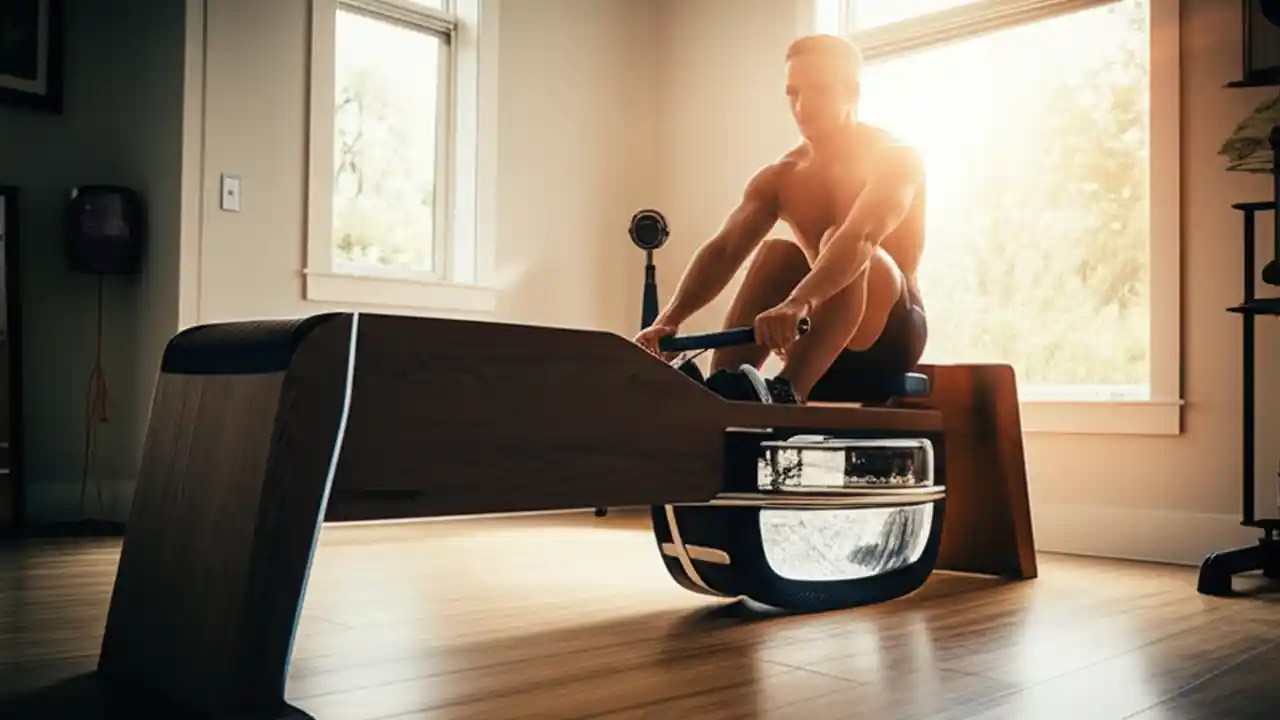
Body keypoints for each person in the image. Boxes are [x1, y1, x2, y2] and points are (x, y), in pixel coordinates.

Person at [634, 34, 927, 405]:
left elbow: (862, 235)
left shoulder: (895, 157)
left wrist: (798, 303)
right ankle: (722, 393)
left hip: (887, 337)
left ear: (851, 92)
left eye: (819, 90)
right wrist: (669, 320)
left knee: (839, 236)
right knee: (775, 253)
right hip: (815, 328)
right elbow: (725, 249)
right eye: (793, 93)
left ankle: (789, 390)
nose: (803, 106)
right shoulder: (782, 175)